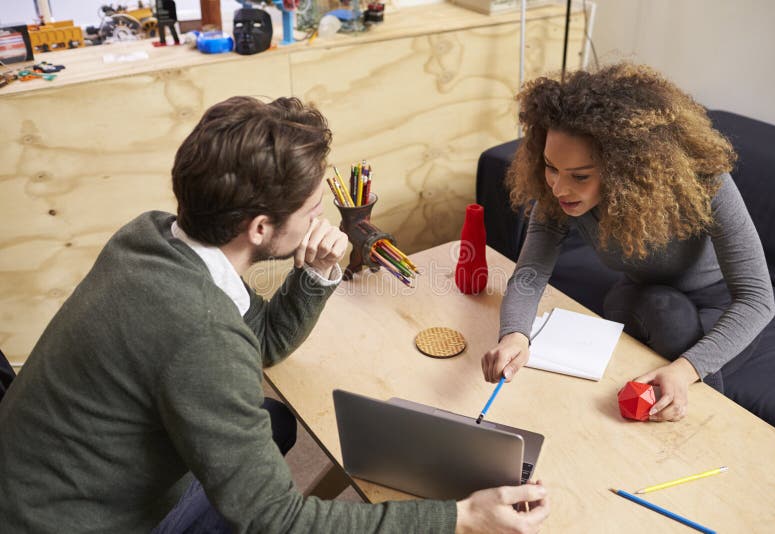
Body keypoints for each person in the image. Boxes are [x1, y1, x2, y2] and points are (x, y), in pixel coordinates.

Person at [0, 96, 549, 533]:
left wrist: (315, 274)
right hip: (79, 521)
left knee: (274, 423)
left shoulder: (153, 235)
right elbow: (276, 519)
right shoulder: (200, 333)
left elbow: (259, 341)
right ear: (261, 228)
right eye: (312, 210)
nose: (319, 221)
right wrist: (459, 518)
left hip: (42, 482)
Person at [482, 64, 775, 422]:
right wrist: (514, 335)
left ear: (623, 167)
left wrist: (685, 369)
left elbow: (757, 300)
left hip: (723, 308)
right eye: (550, 167)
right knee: (654, 311)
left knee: (672, 332)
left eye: (580, 176)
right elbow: (530, 272)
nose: (558, 187)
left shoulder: (705, 181)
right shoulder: (557, 194)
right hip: (644, 298)